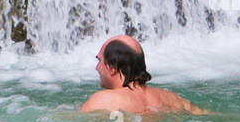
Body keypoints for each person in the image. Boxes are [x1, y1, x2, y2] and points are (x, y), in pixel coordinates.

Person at [79, 34, 209, 115]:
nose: (97, 68)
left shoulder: (103, 100)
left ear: (112, 67)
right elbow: (206, 115)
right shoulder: (171, 98)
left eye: (99, 61)